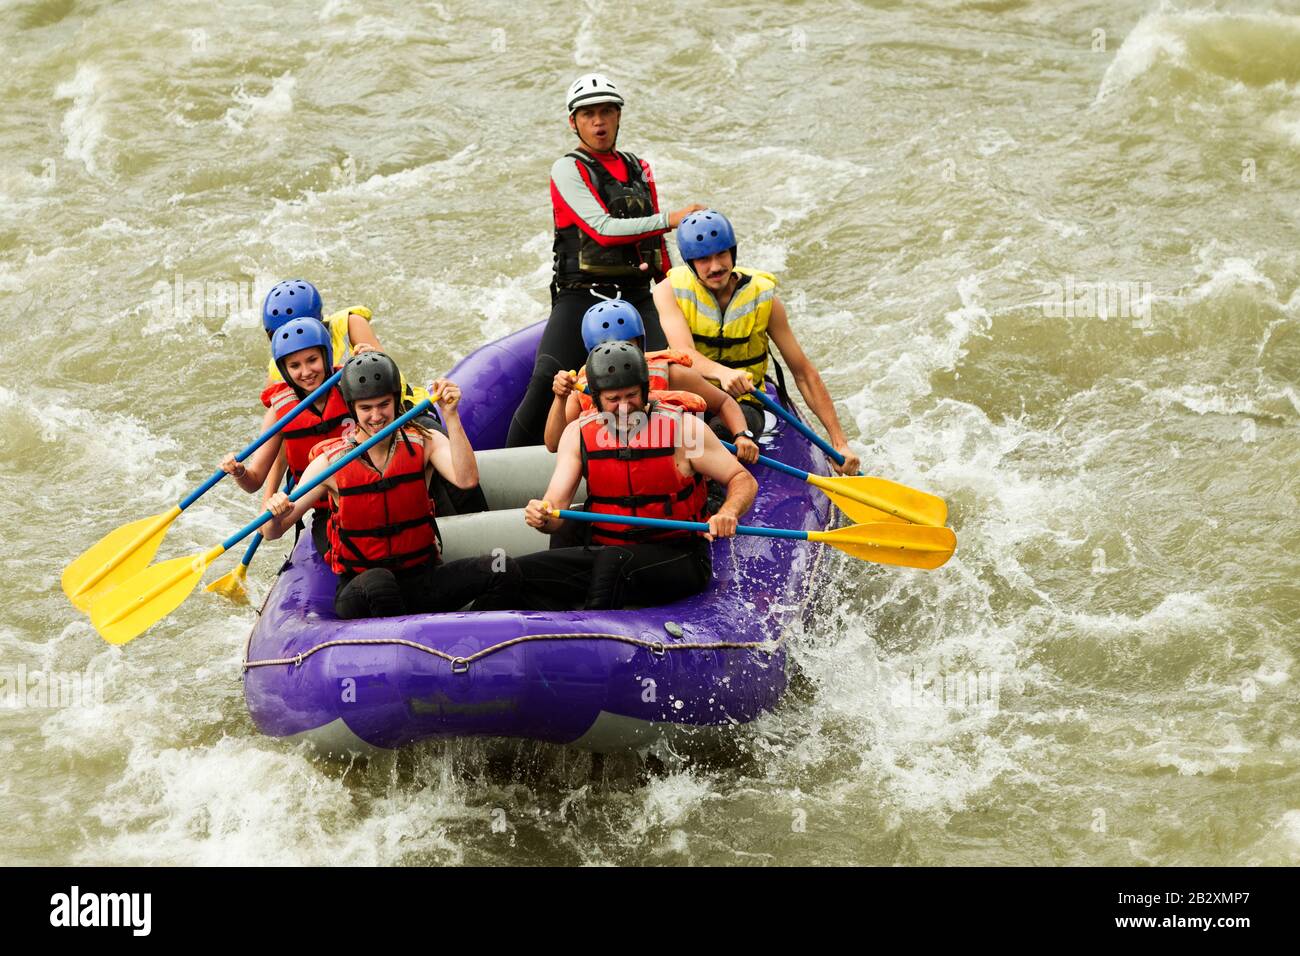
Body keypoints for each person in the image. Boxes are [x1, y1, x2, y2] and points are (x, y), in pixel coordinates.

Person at [505, 73, 707, 447]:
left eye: (606, 113)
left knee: (666, 372)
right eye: (588, 115)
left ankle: (690, 463)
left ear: (618, 116)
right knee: (547, 374)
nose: (598, 122)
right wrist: (673, 218)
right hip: (582, 295)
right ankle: (502, 475)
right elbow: (602, 229)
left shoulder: (639, 168)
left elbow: (653, 241)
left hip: (637, 295)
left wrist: (672, 287)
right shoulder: (568, 168)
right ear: (573, 122)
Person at [261, 352, 521, 619]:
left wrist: (451, 416)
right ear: (352, 408)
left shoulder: (425, 441)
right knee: (380, 582)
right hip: (362, 586)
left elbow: (466, 479)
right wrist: (275, 510)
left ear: (396, 400)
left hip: (422, 579)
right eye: (366, 408)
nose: (376, 416)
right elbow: (273, 532)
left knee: (502, 569)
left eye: (384, 404)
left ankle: (470, 640)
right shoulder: (330, 462)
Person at [514, 342, 757, 611]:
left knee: (614, 563)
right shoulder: (580, 432)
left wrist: (728, 512)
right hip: (609, 550)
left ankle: (590, 631)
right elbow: (554, 510)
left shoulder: (684, 430)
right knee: (519, 570)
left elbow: (742, 478)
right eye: (613, 399)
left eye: (631, 396)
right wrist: (542, 517)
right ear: (595, 399)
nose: (623, 407)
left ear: (645, 391)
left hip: (678, 553)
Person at [653, 210, 863, 475]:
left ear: (733, 253)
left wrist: (839, 442)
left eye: (721, 255)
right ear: (690, 262)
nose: (716, 266)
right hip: (691, 395)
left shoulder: (765, 299)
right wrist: (722, 372)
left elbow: (803, 373)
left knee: (717, 435)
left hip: (745, 400)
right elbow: (684, 352)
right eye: (704, 259)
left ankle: (719, 501)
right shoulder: (667, 291)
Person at [542, 299, 760, 466]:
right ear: (592, 354)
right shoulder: (583, 386)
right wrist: (559, 398)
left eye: (627, 346)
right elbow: (553, 444)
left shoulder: (673, 375)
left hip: (679, 466)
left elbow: (723, 402)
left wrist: (742, 435)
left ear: (641, 345)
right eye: (607, 350)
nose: (619, 357)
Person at [221, 317, 353, 558]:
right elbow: (254, 482)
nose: (306, 372)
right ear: (284, 370)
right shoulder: (280, 410)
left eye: (312, 360)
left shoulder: (353, 381)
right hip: (326, 509)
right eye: (295, 366)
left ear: (327, 356)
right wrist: (238, 471)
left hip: (365, 489)